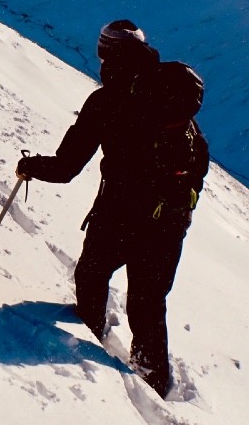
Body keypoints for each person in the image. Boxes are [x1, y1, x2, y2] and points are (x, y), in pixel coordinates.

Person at [15, 20, 208, 397]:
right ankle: (154, 384)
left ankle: (87, 338)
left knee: (90, 276)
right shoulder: (169, 93)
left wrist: (29, 166)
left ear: (105, 54)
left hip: (118, 216)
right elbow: (197, 156)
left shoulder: (105, 102)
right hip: (167, 223)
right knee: (147, 306)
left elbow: (67, 167)